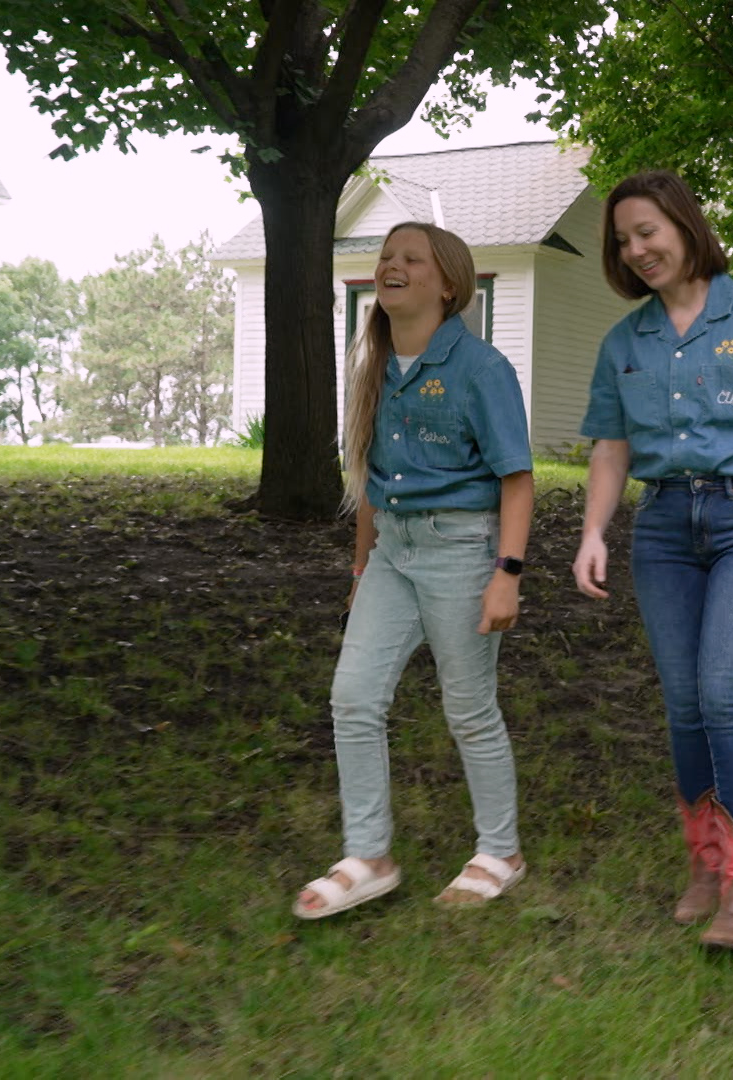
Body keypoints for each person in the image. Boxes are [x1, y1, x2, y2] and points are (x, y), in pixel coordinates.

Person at [572, 169, 733, 953]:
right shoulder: (625, 341)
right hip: (661, 528)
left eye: (647, 231)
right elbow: (611, 447)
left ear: (685, 225)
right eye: (624, 240)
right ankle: (705, 859)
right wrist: (593, 533)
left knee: (725, 693)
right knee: (684, 702)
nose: (637, 249)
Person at [294, 222, 536, 919]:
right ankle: (368, 855)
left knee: (468, 707)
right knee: (353, 698)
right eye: (385, 257)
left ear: (448, 284)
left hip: (462, 551)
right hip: (391, 555)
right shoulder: (374, 364)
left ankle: (501, 851)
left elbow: (516, 482)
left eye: (410, 258)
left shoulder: (481, 370)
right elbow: (370, 478)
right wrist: (360, 566)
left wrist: (507, 574)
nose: (391, 265)